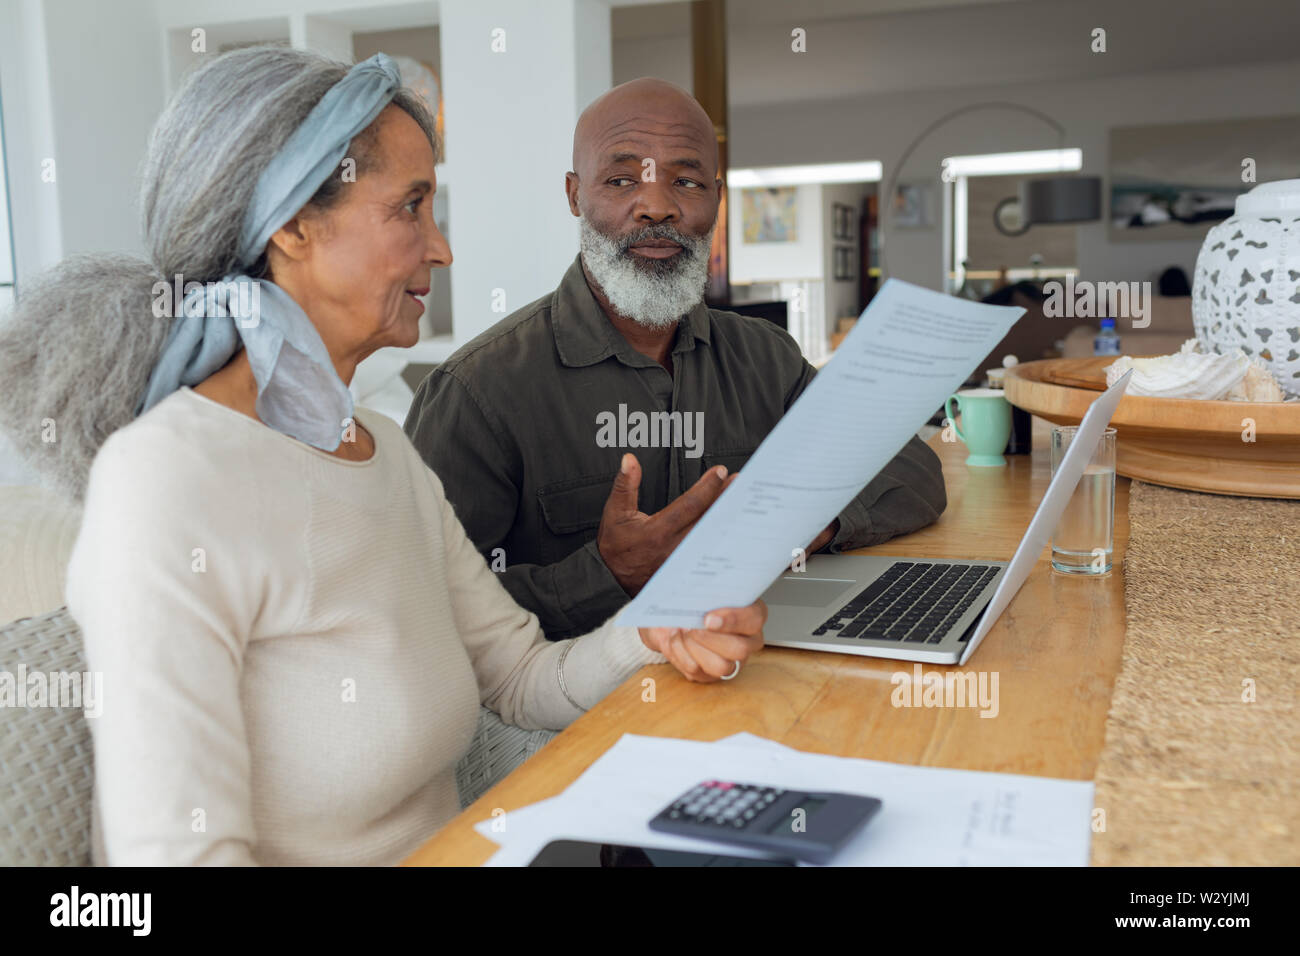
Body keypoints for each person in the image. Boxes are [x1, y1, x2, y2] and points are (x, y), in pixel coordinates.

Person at [0, 49, 765, 866]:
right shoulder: (166, 481)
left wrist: (654, 631)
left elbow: (520, 677)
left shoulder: (385, 452)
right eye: (411, 207)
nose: (441, 250)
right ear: (293, 224)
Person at [404, 78, 947, 642]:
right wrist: (606, 574)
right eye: (621, 180)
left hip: (755, 671)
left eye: (685, 181)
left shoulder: (765, 358)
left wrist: (808, 523)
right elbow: (425, 617)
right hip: (574, 719)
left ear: (716, 198)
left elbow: (912, 469)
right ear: (574, 196)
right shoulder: (477, 391)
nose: (658, 207)